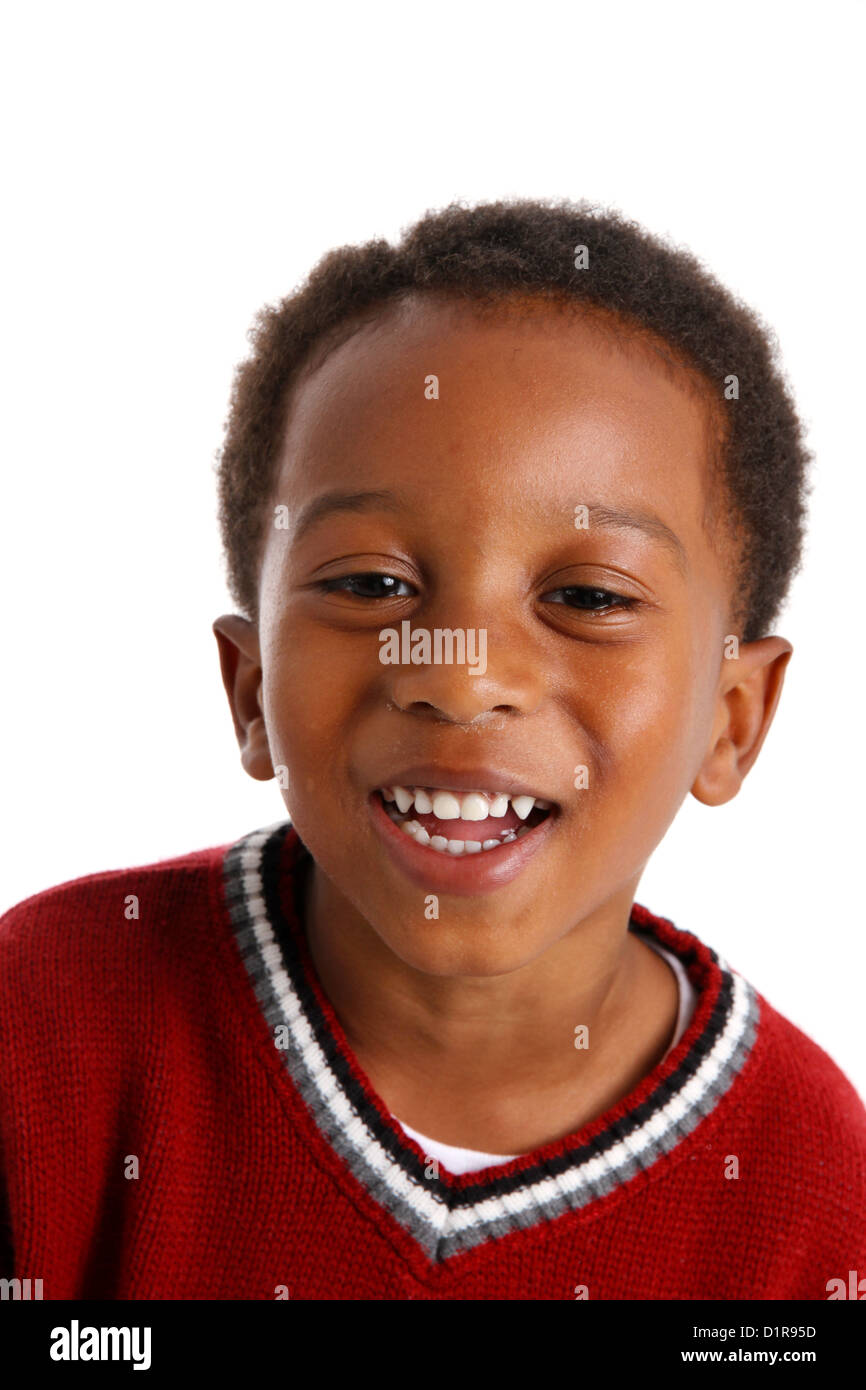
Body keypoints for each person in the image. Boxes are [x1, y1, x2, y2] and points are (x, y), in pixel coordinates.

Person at [2, 199, 863, 1299]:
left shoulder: (810, 1189)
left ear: (732, 717)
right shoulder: (41, 1026)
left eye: (588, 595)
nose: (459, 676)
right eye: (370, 584)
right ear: (250, 684)